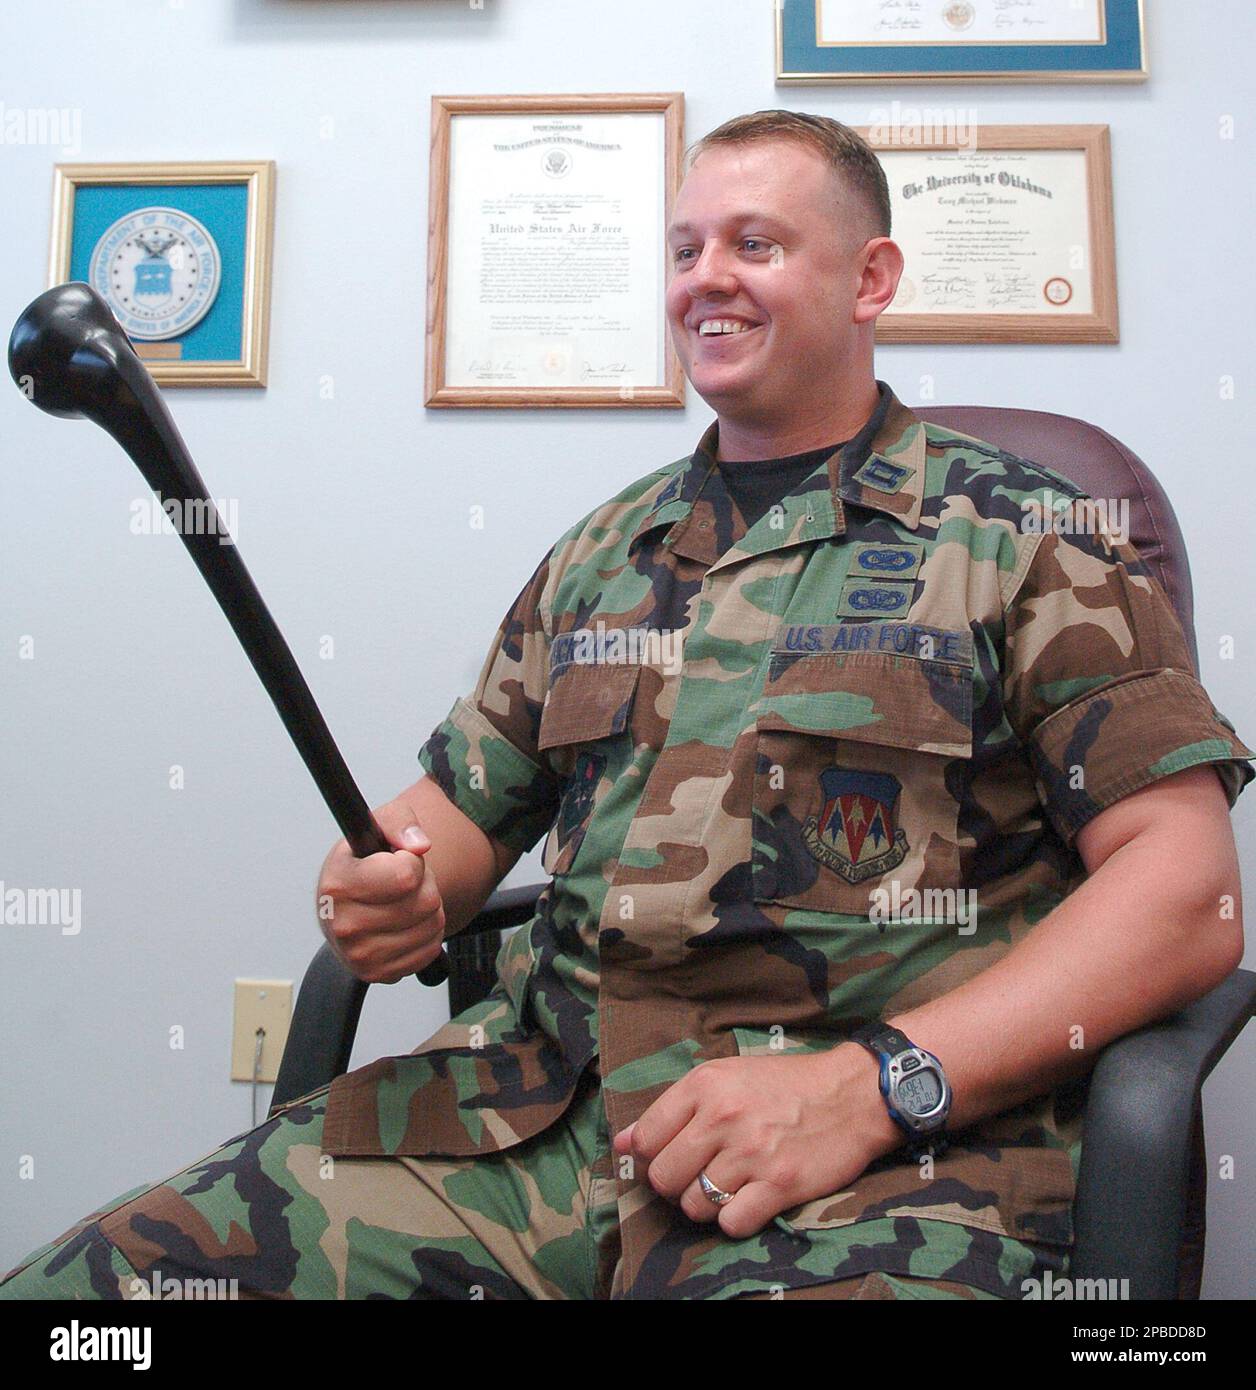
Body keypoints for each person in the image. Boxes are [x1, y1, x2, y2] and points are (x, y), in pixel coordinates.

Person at [3, 110, 1251, 1301]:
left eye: (754, 244)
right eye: (683, 249)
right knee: (93, 1299)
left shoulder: (1030, 535)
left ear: (870, 280)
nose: (704, 277)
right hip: (527, 1130)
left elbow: (1185, 892)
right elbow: (447, 820)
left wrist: (873, 1087)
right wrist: (381, 885)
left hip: (869, 1172)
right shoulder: (604, 549)